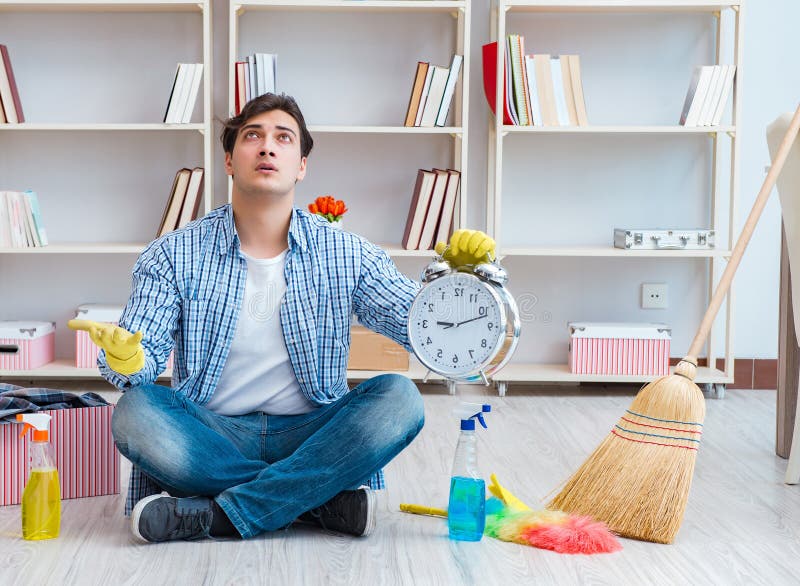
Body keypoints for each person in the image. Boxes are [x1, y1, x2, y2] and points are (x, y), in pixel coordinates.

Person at [69, 93, 496, 544]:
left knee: (400, 398)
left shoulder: (349, 254)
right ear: (230, 160)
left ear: (301, 165)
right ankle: (316, 501)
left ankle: (218, 515)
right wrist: (127, 358)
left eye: (283, 138)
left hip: (313, 434)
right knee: (137, 412)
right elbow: (141, 363)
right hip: (213, 434)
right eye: (252, 136)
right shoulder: (172, 254)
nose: (267, 147)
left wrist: (461, 287)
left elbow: (422, 329)